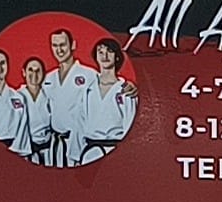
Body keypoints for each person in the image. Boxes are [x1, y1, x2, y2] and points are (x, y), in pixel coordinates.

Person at [74, 39, 138, 163]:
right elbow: (80, 122)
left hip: (114, 148)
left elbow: (130, 124)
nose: (105, 56)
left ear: (117, 57)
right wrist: (75, 156)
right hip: (89, 149)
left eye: (109, 51)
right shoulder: (88, 88)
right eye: (100, 52)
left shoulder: (124, 89)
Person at [44, 26, 91, 169]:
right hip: (55, 144)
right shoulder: (48, 78)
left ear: (73, 45)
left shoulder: (89, 75)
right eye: (55, 45)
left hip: (79, 142)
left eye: (63, 45)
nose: (59, 50)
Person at [18, 54, 60, 166]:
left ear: (43, 74)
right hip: (26, 149)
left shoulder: (49, 96)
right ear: (24, 72)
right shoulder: (17, 97)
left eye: (38, 71)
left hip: (48, 148)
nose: (34, 74)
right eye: (30, 70)